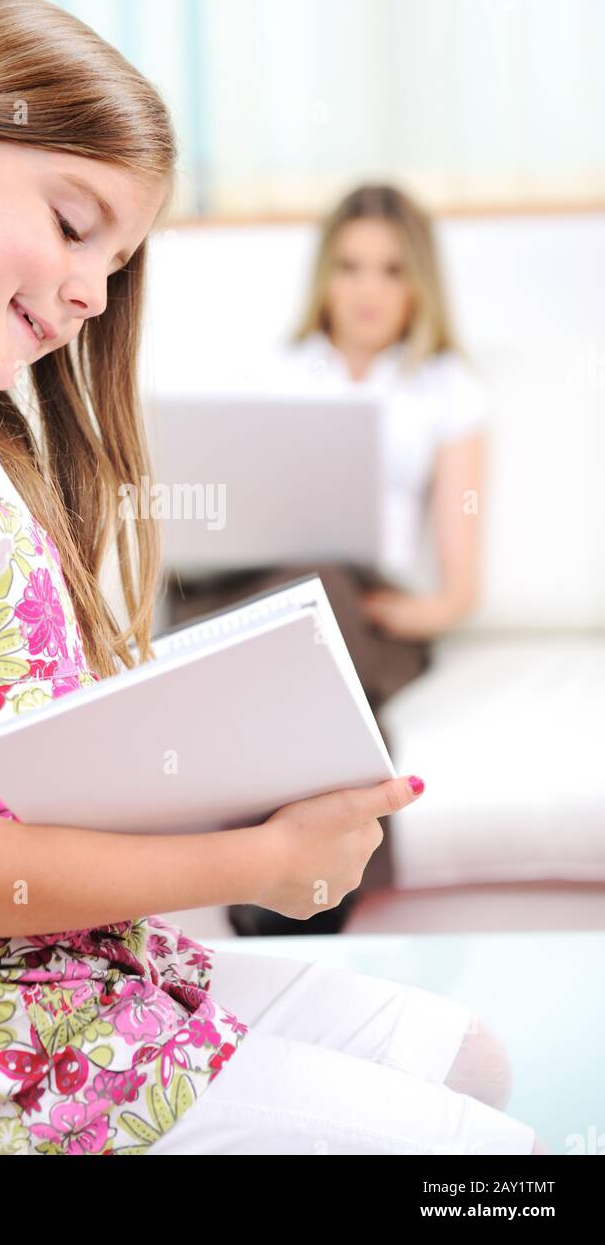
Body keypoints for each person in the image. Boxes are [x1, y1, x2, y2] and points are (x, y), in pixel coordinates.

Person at [0, 0, 545, 1155]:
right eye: (74, 226)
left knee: (469, 1062)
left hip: (45, 991)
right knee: (497, 1167)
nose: (93, 293)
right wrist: (257, 859)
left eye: (117, 260)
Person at [164, 183, 489, 938]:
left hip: (367, 616)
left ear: (419, 283)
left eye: (390, 270)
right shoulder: (277, 374)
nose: (367, 291)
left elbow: (456, 593)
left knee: (326, 606)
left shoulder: (448, 393)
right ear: (324, 278)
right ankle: (304, 889)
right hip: (262, 593)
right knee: (304, 607)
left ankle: (287, 900)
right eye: (349, 267)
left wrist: (406, 610)